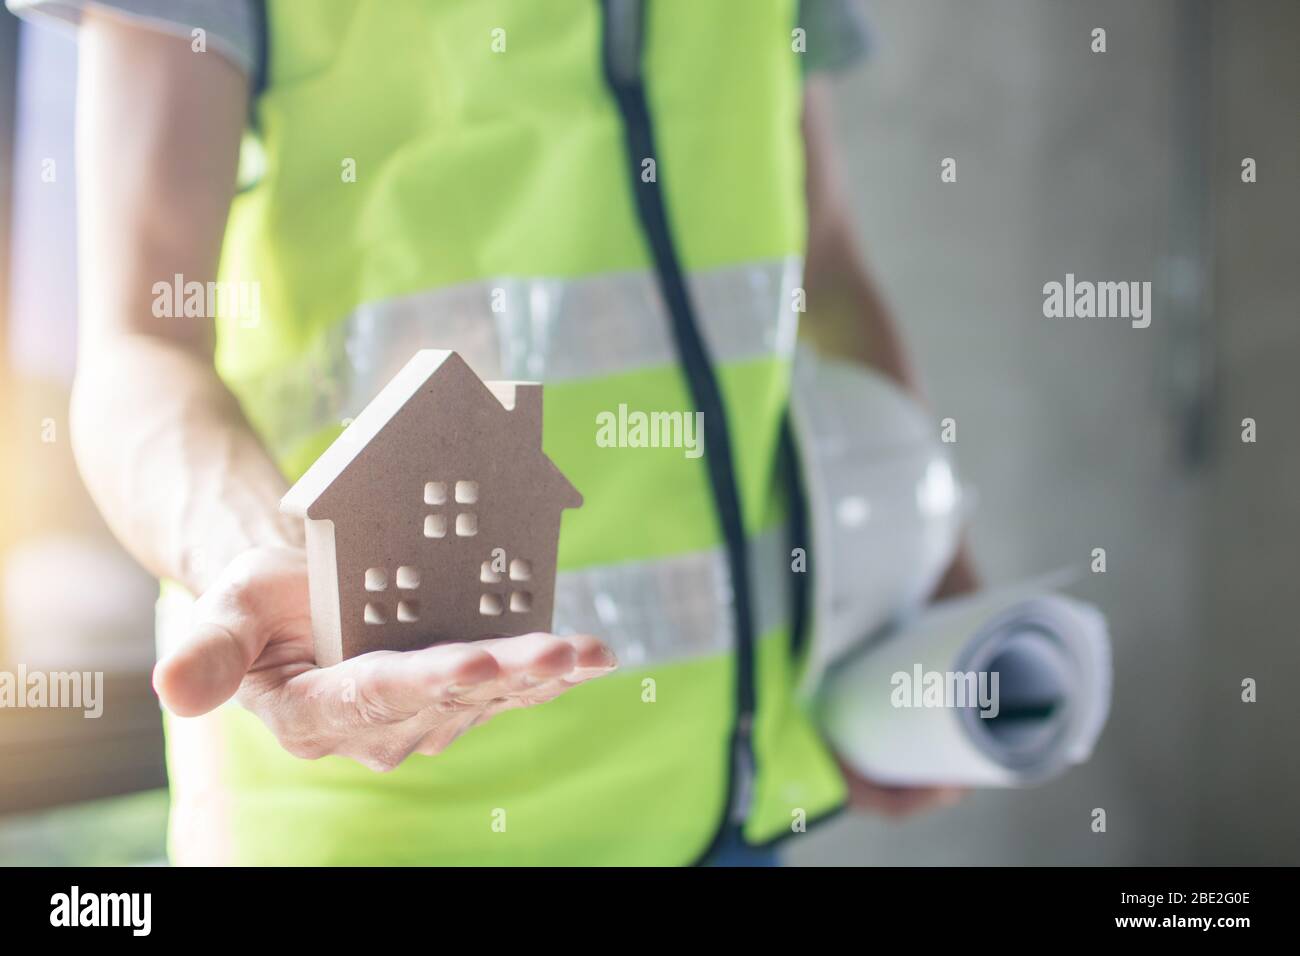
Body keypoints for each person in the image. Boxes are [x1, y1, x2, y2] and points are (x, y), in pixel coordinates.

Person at [14, 0, 977, 865]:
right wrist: (255, 556)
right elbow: (140, 348)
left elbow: (827, 268)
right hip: (382, 827)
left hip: (731, 806)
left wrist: (925, 558)